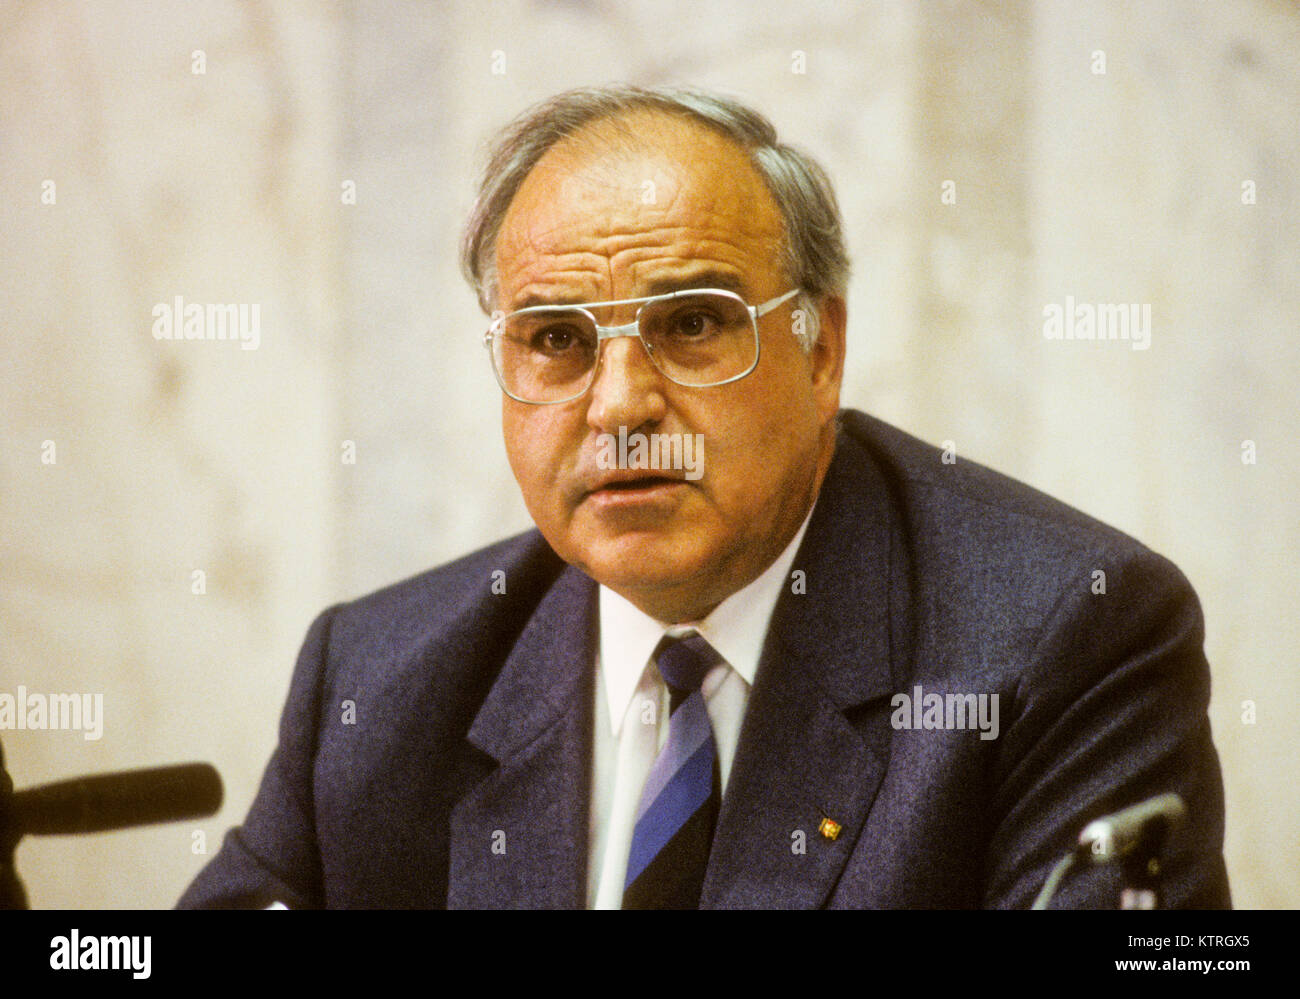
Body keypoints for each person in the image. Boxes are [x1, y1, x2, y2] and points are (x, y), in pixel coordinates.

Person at [179, 85, 1229, 909]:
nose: (621, 406)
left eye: (691, 325)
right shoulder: (376, 681)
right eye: (555, 342)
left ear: (823, 351)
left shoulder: (1063, 639)